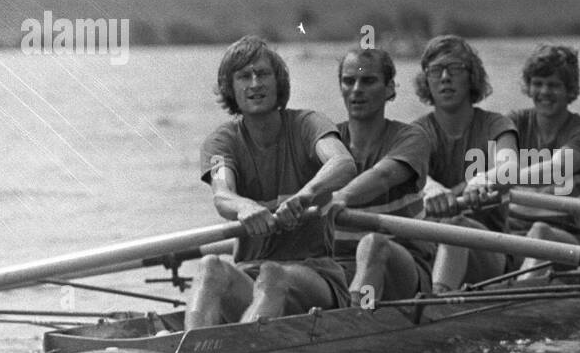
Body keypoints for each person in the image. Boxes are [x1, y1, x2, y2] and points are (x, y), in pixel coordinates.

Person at [186, 36, 357, 328]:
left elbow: (342, 163)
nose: (255, 84)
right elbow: (222, 194)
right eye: (244, 76)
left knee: (273, 274)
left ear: (278, 83)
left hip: (316, 275)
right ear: (231, 88)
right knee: (210, 267)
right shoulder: (221, 141)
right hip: (250, 274)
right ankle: (194, 352)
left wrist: (306, 195)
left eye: (263, 74)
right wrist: (244, 207)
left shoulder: (308, 124)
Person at [328, 48, 435, 303]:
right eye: (348, 81)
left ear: (389, 89)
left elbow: (384, 176)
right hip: (336, 269)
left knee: (373, 244)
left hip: (403, 269)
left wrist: (340, 197)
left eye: (368, 81)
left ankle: (353, 322)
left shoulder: (411, 137)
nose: (356, 89)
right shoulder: (325, 142)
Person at [413, 35, 518, 292]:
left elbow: (509, 168)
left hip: (489, 249)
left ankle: (435, 301)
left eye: (455, 68)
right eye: (436, 70)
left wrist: (485, 179)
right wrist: (430, 188)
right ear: (427, 80)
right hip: (429, 246)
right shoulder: (415, 133)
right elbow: (409, 172)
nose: (445, 77)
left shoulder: (496, 125)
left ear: (471, 77)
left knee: (455, 226)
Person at [502, 44, 580, 280]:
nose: (544, 91)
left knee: (540, 232)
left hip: (567, 240)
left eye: (554, 85)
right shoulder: (513, 123)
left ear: (570, 90)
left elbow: (556, 170)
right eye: (538, 83)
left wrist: (498, 179)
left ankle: (520, 295)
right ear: (528, 86)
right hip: (512, 236)